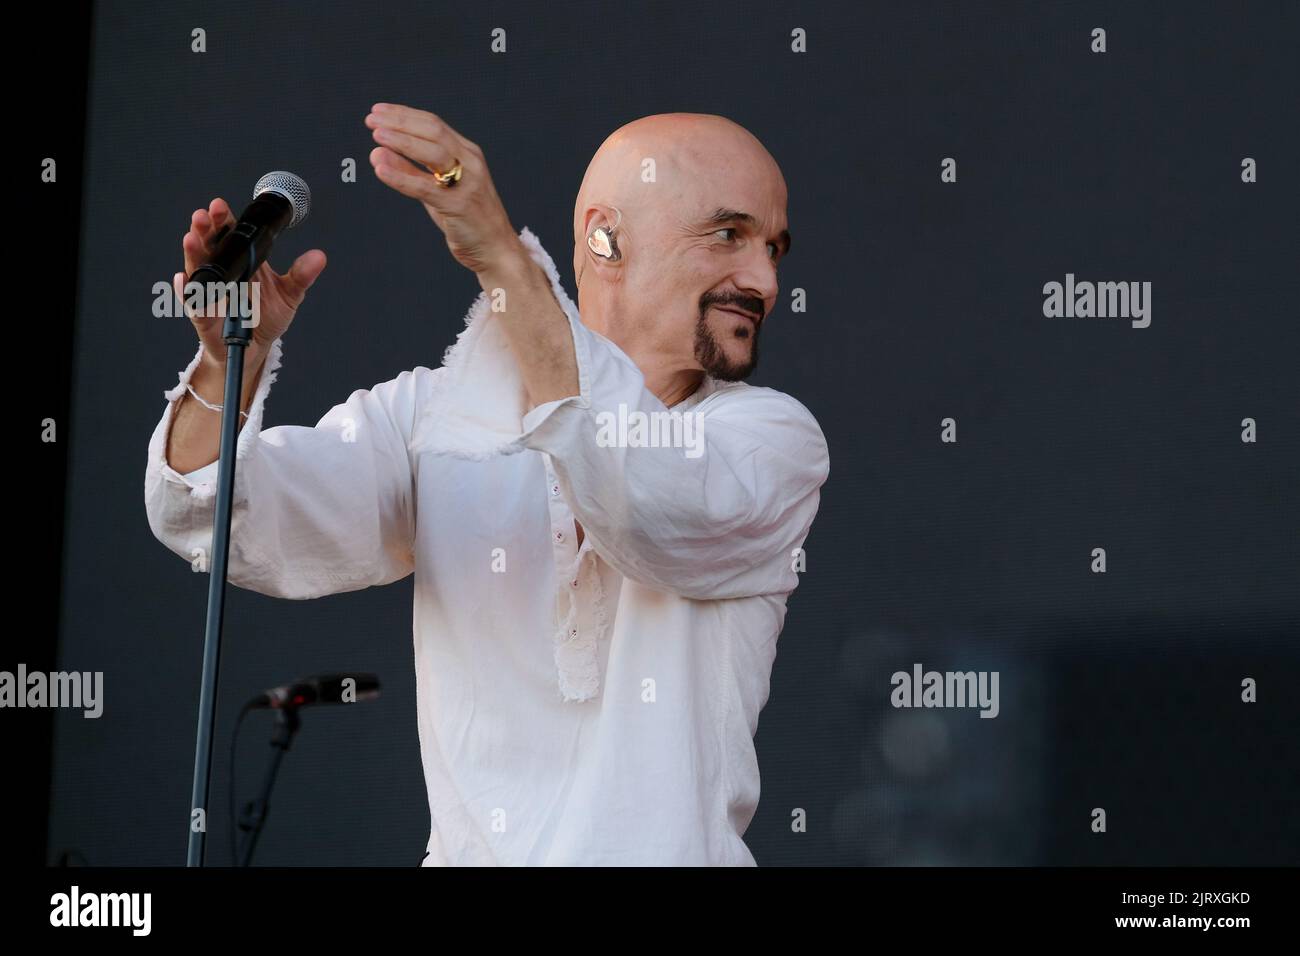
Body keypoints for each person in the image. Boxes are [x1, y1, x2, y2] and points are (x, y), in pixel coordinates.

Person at [145, 106, 830, 865]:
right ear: (606, 239)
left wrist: (499, 256)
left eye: (775, 248)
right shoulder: (440, 416)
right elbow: (213, 519)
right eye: (729, 235)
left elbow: (644, 500)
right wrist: (225, 364)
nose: (764, 279)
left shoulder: (771, 441)